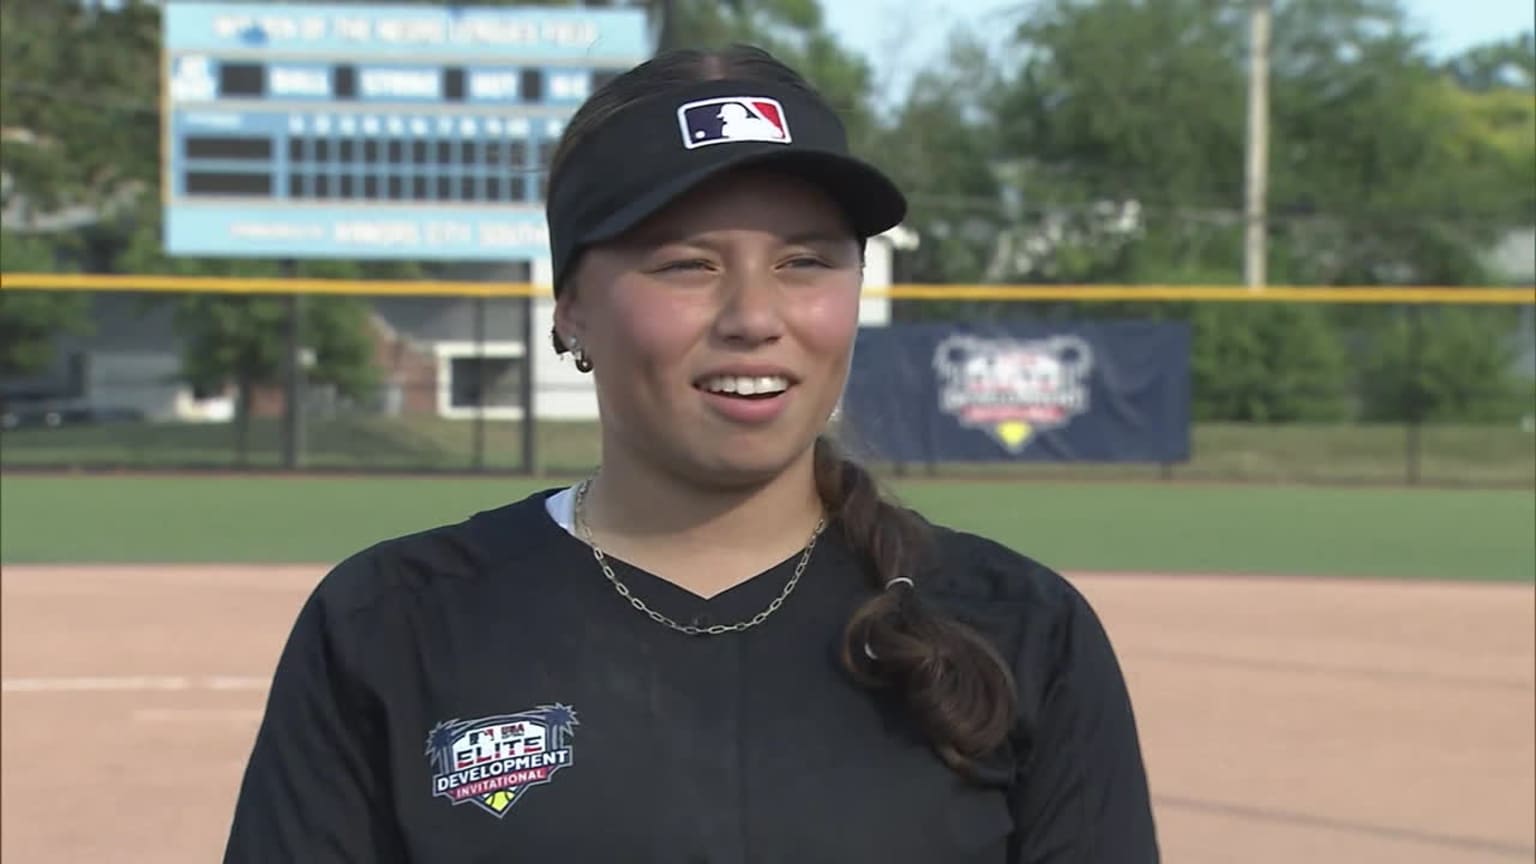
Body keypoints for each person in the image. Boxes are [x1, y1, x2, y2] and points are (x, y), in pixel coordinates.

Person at [223, 44, 1159, 863]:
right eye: (686, 264)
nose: (755, 317)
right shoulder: (392, 627)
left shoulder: (1017, 630)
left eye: (806, 261)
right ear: (572, 309)